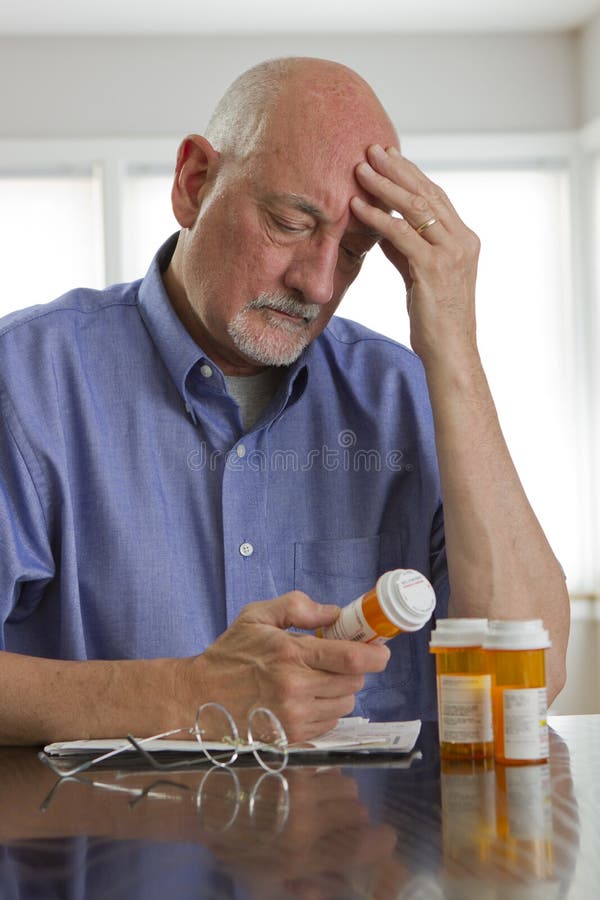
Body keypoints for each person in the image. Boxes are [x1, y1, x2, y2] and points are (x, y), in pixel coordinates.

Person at [0, 57, 569, 746]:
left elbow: (533, 679)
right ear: (193, 184)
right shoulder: (28, 380)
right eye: (291, 224)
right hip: (103, 849)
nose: (320, 284)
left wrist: (455, 347)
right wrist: (187, 693)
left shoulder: (404, 393)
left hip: (373, 852)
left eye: (355, 250)